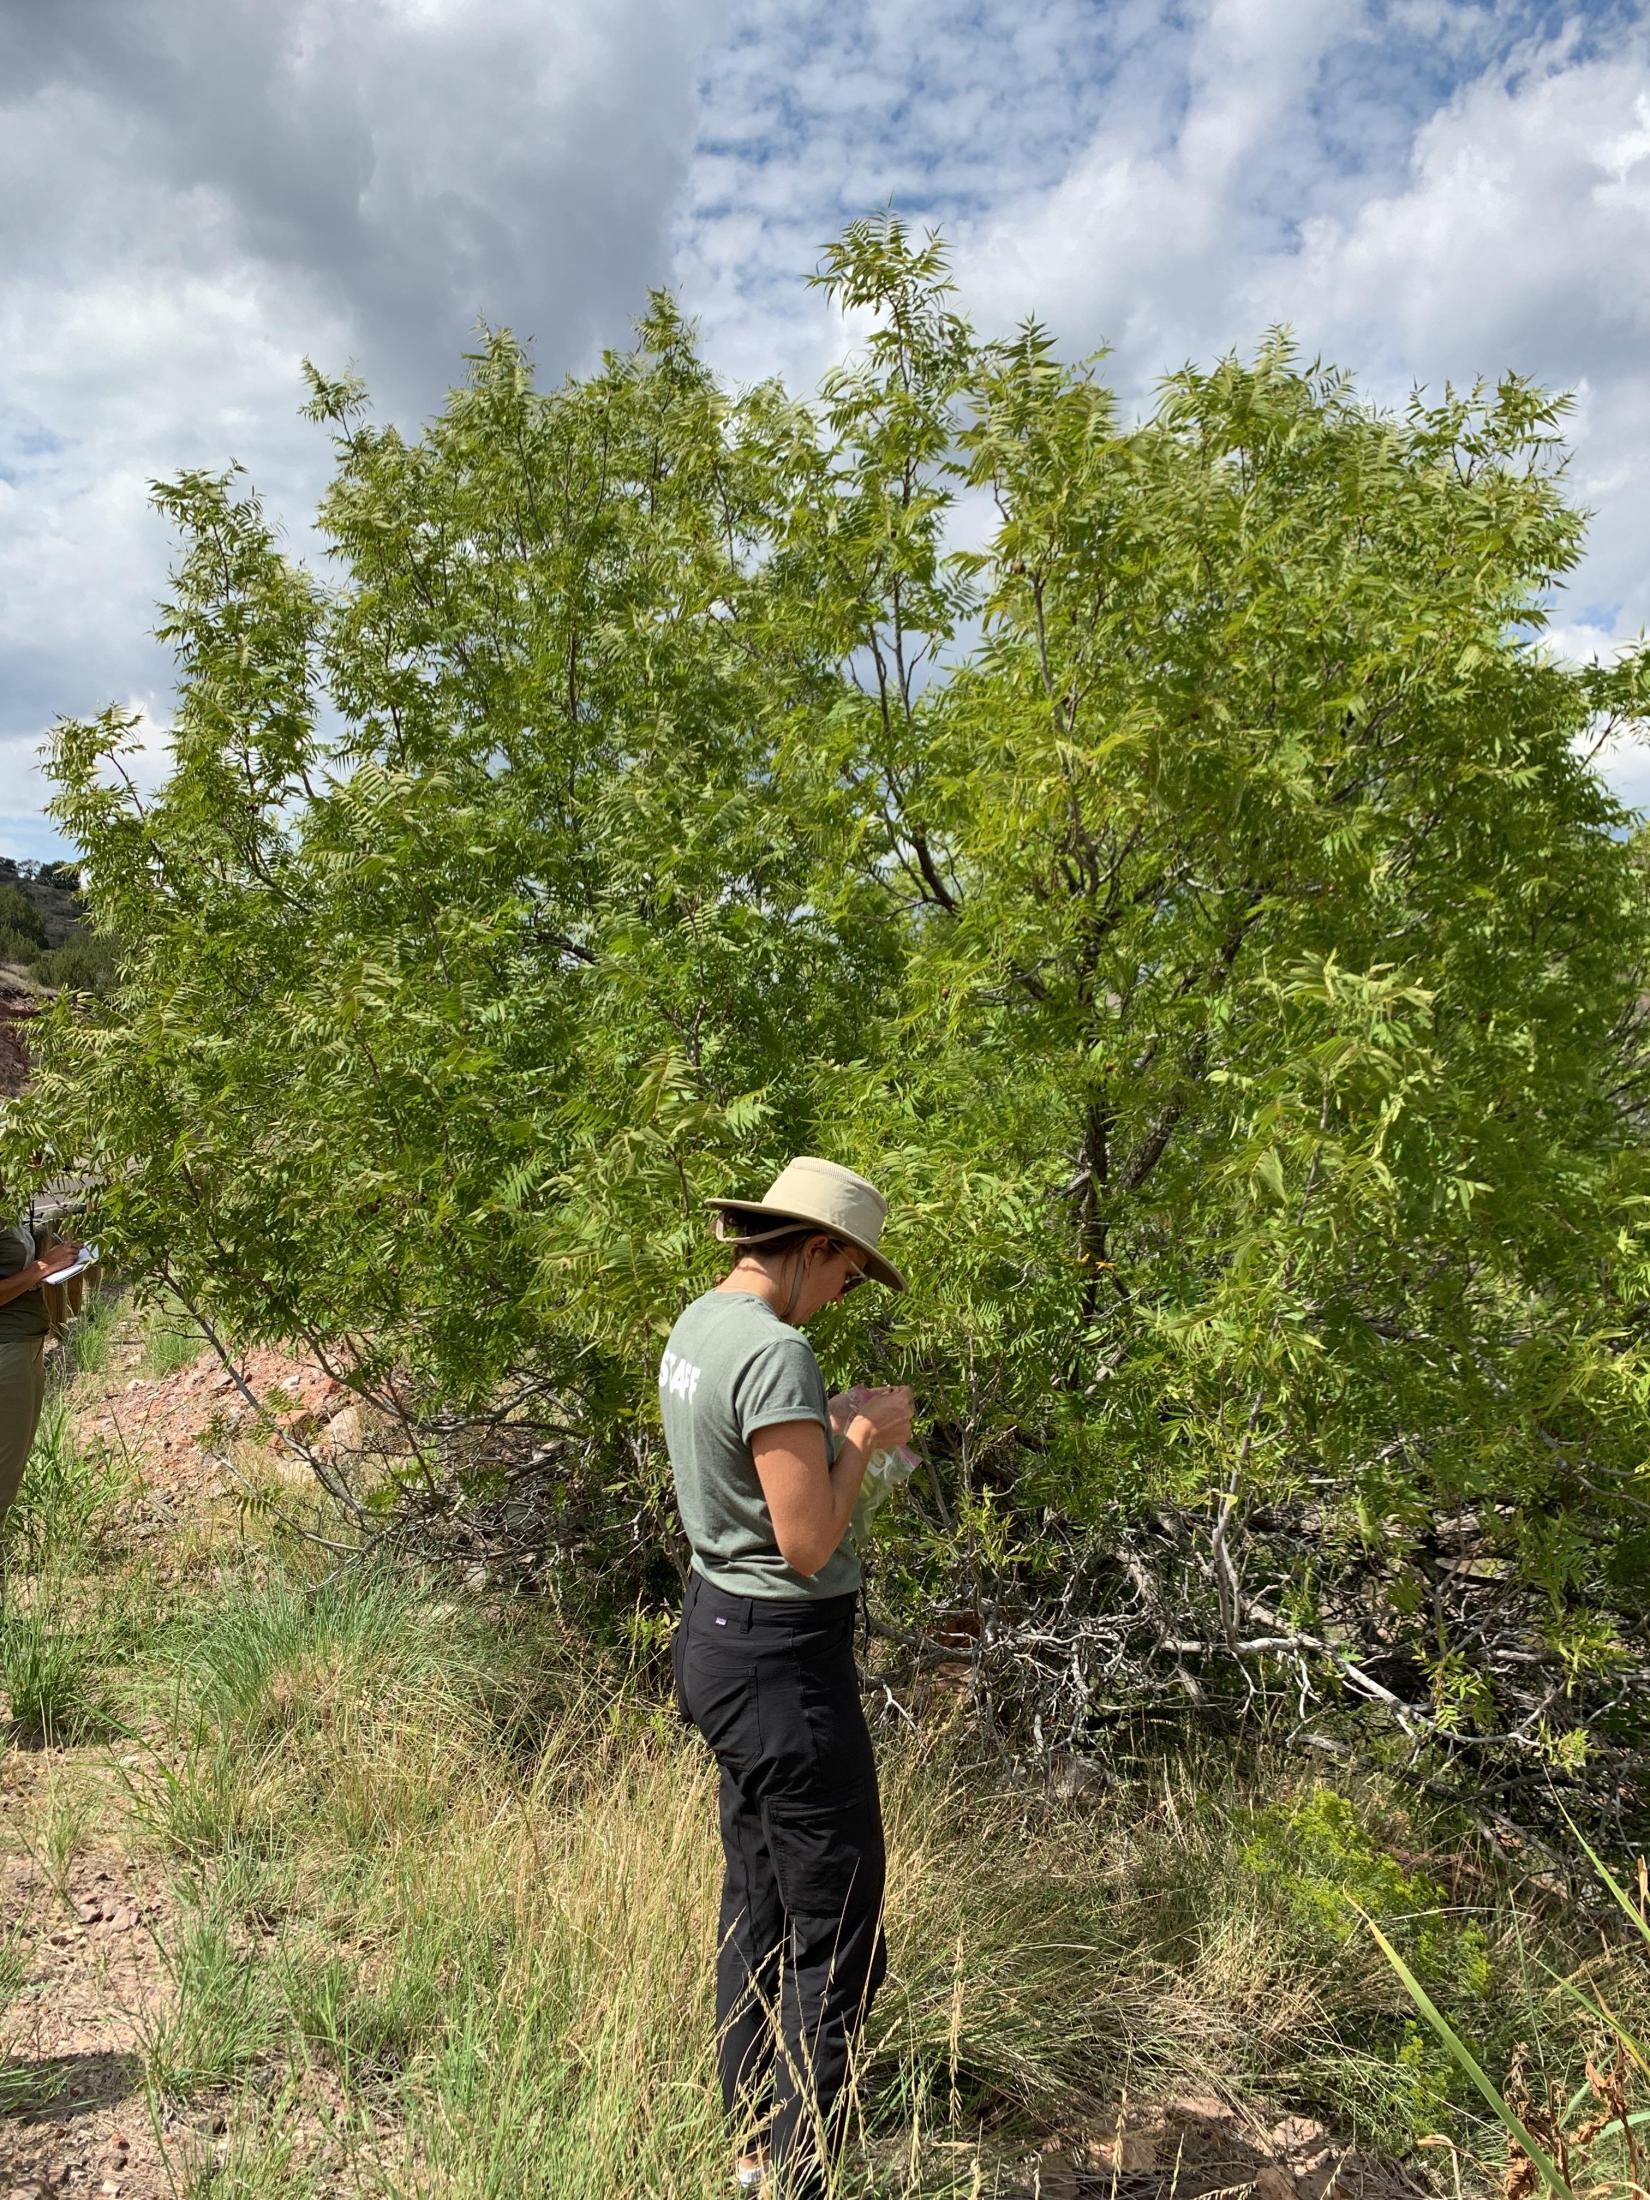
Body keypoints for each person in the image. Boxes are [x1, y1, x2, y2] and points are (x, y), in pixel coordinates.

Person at [661, 1156, 915, 2200]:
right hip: (782, 1659)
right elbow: (806, 1539)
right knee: (840, 1918)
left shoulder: (699, 1323)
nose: (845, 1295)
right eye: (849, 1275)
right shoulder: (776, 1350)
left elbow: (740, 1475)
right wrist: (859, 1435)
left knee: (760, 1894)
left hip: (717, 1635)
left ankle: (750, 2139)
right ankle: (799, 2171)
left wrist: (827, 1428)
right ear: (813, 1249)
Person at [0, 1202, 81, 1548]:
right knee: (4, 1465)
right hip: (6, 1347)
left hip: (28, 1340)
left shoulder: (9, 1203)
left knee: (14, 1462)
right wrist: (43, 1267)